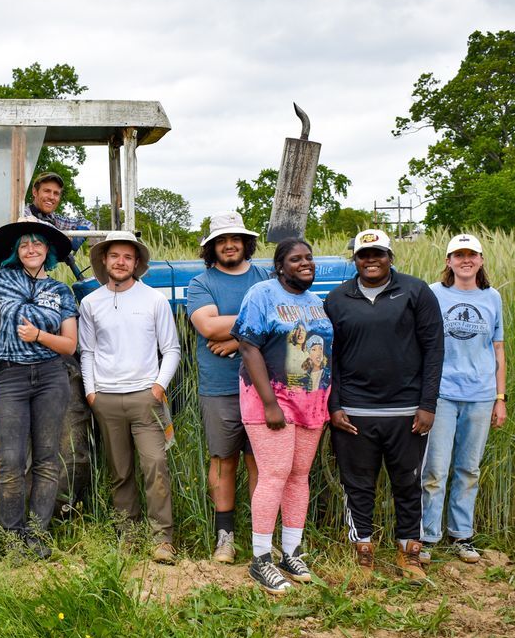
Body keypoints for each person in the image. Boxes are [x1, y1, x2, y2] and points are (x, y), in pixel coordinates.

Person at [324, 229, 443, 579]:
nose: (371, 260)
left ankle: (409, 553)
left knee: (407, 484)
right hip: (355, 414)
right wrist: (335, 406)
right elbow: (329, 358)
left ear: (391, 257)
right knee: (358, 486)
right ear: (355, 259)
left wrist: (427, 404)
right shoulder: (337, 299)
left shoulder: (415, 291)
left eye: (378, 253)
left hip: (407, 412)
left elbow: (434, 350)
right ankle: (363, 551)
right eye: (364, 255)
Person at [0, 221, 78, 558]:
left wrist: (39, 336)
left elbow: (69, 345)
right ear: (17, 252)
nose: (31, 250)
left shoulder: (61, 292)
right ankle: (12, 539)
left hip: (51, 377)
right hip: (10, 376)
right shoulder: (2, 279)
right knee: (11, 461)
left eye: (37, 244)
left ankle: (37, 536)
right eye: (24, 245)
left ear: (47, 252)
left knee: (47, 460)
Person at [233, 238, 333, 594]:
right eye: (295, 259)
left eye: (309, 258)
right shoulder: (262, 294)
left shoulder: (315, 302)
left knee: (299, 476)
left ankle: (292, 551)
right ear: (280, 266)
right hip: (271, 402)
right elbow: (247, 346)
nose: (305, 263)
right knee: (274, 475)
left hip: (311, 403)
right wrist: (270, 402)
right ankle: (261, 559)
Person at [78, 231, 181, 563]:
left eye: (127, 257)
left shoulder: (153, 300)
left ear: (136, 263)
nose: (120, 262)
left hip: (145, 398)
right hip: (106, 399)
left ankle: (162, 538)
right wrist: (91, 392)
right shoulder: (91, 303)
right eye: (114, 256)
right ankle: (129, 535)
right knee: (119, 471)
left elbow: (172, 349)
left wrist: (158, 387)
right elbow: (88, 352)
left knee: (155, 466)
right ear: (104, 261)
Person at [420, 234, 507, 564]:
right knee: (434, 470)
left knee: (468, 469)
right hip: (442, 394)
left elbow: (498, 349)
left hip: (481, 395)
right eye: (458, 255)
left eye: (472, 254)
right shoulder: (434, 293)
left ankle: (462, 536)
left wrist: (500, 397)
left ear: (481, 260)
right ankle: (427, 537)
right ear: (448, 261)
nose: (465, 260)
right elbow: (423, 343)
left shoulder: (492, 297)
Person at [186, 211, 268, 563]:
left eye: (235, 238)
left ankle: (262, 539)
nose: (229, 244)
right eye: (221, 240)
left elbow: (283, 320)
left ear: (246, 242)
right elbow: (208, 327)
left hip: (265, 386)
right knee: (223, 459)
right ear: (212, 247)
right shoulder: (201, 284)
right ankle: (225, 538)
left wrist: (236, 342)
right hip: (220, 386)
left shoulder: (266, 276)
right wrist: (257, 319)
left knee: (260, 462)